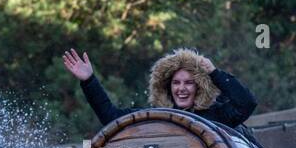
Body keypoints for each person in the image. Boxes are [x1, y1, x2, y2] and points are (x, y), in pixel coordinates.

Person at [62, 47, 260, 137]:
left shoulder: (218, 115)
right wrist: (89, 80)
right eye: (176, 83)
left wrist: (215, 73)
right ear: (168, 87)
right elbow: (110, 117)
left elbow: (247, 103)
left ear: (199, 87)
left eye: (189, 83)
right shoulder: (157, 117)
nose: (181, 89)